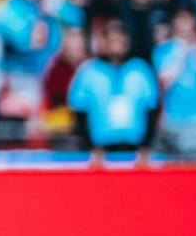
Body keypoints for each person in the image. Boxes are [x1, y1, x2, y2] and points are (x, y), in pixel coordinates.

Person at [67, 18, 161, 158]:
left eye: (120, 40)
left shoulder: (140, 69)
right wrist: (88, 146)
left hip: (135, 148)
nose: (116, 45)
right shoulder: (89, 71)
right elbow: (79, 111)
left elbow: (152, 109)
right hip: (100, 150)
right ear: (103, 41)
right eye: (112, 40)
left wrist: (147, 144)